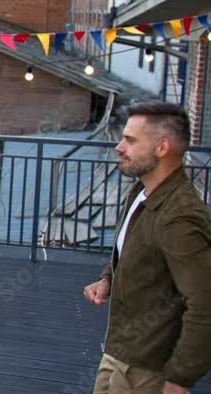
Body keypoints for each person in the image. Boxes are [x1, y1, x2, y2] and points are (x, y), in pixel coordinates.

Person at [83, 103, 211, 394]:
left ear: (162, 147)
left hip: (145, 370)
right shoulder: (140, 192)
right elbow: (131, 247)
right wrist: (108, 279)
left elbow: (205, 304)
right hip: (119, 350)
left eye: (130, 140)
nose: (118, 146)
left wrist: (180, 378)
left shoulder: (179, 217)